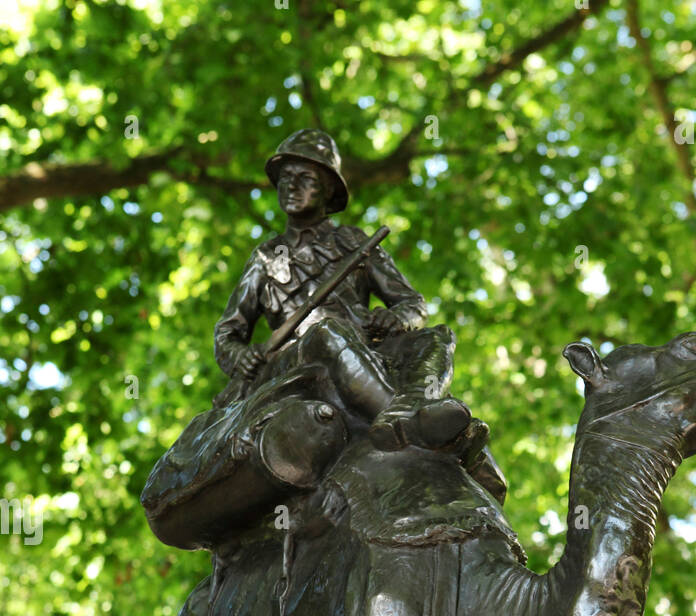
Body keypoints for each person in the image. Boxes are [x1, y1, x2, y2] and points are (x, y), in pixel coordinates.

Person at [213, 129, 506, 500]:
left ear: (328, 192)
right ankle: (406, 426)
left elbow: (412, 304)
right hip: (296, 364)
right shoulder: (266, 259)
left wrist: (396, 319)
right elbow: (227, 336)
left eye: (305, 179)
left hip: (365, 351)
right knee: (326, 332)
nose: (291, 187)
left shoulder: (356, 244)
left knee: (437, 337)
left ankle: (410, 407)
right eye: (285, 179)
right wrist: (242, 356)